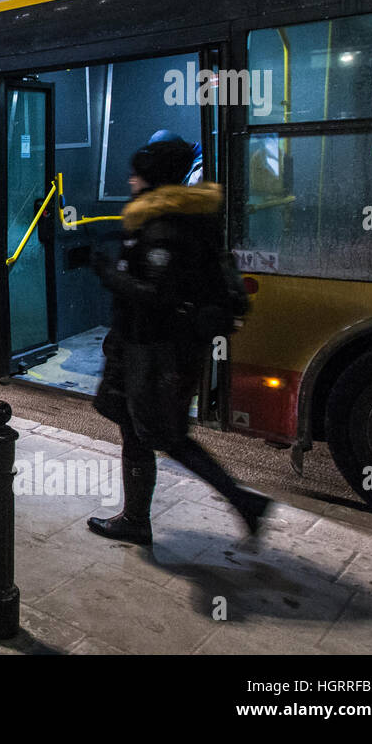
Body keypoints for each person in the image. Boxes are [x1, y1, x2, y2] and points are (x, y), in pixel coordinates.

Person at [88, 138, 269, 546]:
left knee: (163, 435)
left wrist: (107, 273)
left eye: (137, 172)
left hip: (157, 351)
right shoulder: (176, 217)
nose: (131, 179)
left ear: (152, 176)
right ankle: (136, 518)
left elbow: (158, 294)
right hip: (148, 346)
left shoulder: (164, 226)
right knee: (136, 427)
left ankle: (242, 501)